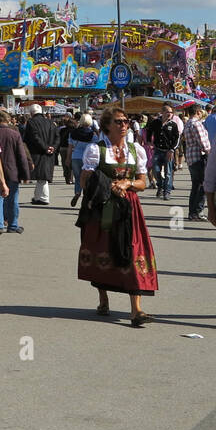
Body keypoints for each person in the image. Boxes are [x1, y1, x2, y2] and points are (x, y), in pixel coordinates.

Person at [75, 108, 158, 327]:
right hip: (104, 207)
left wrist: (128, 183)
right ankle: (103, 299)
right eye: (119, 121)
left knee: (132, 250)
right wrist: (106, 186)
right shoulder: (96, 150)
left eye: (126, 121)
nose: (124, 125)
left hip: (129, 207)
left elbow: (143, 182)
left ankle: (136, 309)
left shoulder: (136, 149)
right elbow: (85, 181)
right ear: (107, 126)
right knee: (103, 250)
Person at [0, 109, 30, 235]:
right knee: (13, 198)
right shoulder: (14, 134)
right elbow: (21, 155)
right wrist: (25, 174)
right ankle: (13, 225)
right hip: (12, 171)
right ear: (7, 120)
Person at [22, 104, 56, 206]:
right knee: (42, 176)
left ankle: (44, 198)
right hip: (50, 153)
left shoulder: (31, 122)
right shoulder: (51, 122)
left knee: (42, 176)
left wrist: (45, 148)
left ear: (32, 113)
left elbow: (34, 137)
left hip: (37, 152)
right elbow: (57, 136)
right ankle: (38, 197)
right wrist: (52, 147)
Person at [182, 106, 211, 221]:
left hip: (191, 156)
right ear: (198, 112)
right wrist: (210, 153)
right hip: (199, 156)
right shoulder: (196, 124)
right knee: (201, 185)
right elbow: (203, 141)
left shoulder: (188, 123)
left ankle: (192, 212)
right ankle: (197, 212)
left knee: (196, 185)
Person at [67, 114, 100, 207]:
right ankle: (87, 197)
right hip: (87, 159)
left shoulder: (73, 133)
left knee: (78, 178)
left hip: (75, 157)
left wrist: (68, 158)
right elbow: (96, 147)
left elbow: (70, 147)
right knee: (88, 179)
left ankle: (77, 192)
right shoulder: (92, 134)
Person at [151, 106, 181, 200]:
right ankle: (160, 185)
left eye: (171, 112)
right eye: (168, 112)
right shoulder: (156, 122)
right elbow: (148, 131)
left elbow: (177, 138)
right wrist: (149, 142)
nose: (170, 114)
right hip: (157, 150)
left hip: (168, 151)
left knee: (168, 172)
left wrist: (172, 150)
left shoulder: (173, 124)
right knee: (156, 170)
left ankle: (167, 191)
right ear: (162, 112)